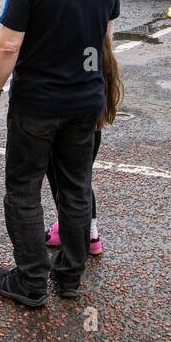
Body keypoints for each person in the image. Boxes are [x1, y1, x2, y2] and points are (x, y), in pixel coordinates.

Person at [0, 0, 120, 307]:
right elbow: (104, 36)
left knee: (23, 188)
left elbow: (8, 46)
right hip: (85, 102)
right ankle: (70, 277)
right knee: (75, 188)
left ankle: (31, 282)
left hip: (37, 104)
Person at [45, 33, 123, 255]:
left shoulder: (71, 44)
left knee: (61, 181)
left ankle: (71, 231)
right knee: (81, 180)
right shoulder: (99, 49)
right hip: (92, 125)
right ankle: (92, 234)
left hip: (67, 123)